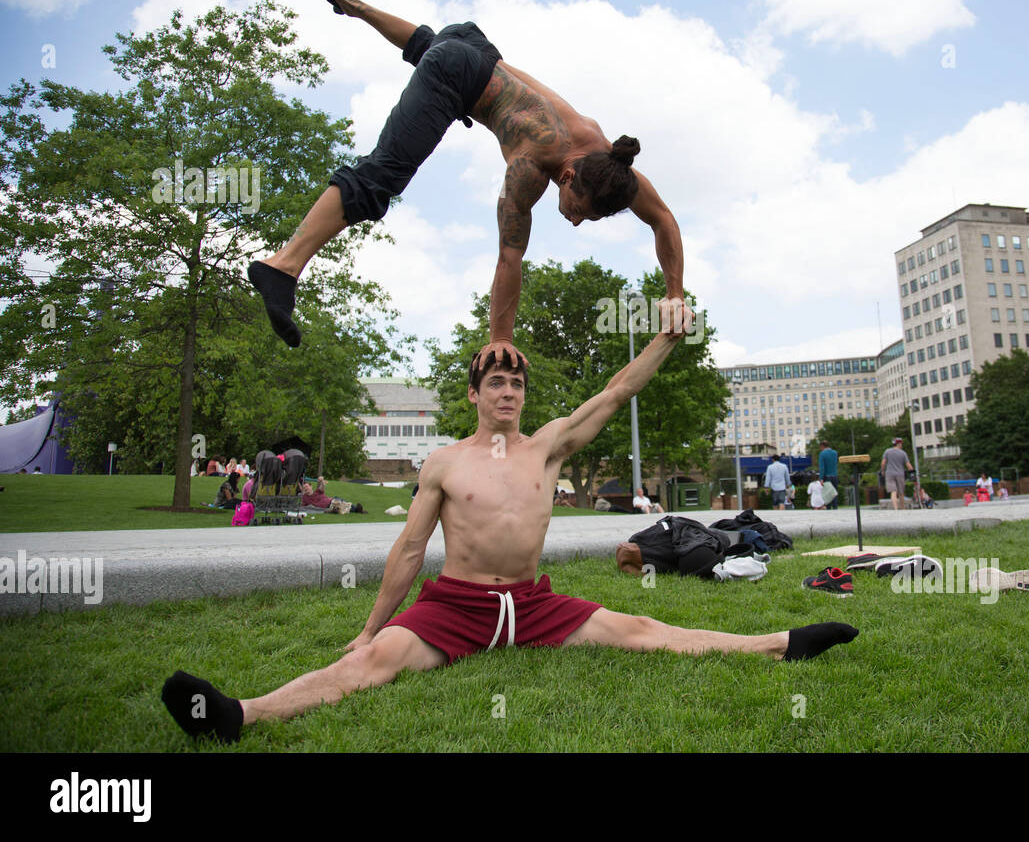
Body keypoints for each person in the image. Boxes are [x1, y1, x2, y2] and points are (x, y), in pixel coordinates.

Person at [161, 306, 858, 743]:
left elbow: (616, 393)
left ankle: (778, 645)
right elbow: (409, 549)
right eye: (495, 382)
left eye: (517, 383)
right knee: (368, 665)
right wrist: (373, 626)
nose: (508, 391)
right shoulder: (442, 463)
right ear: (473, 394)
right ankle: (238, 716)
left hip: (532, 604)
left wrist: (666, 339)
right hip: (453, 607)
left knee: (642, 631)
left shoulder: (549, 446)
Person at [247, 0, 692, 368]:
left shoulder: (610, 162)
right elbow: (509, 259)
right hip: (456, 74)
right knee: (383, 176)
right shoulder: (531, 168)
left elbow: (663, 218)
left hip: (476, 48)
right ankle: (282, 266)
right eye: (579, 210)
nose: (575, 221)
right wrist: (501, 338)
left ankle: (354, 5)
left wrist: (675, 293)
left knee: (425, 44)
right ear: (570, 175)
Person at [880, 437, 913, 511]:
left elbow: (883, 463)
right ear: (899, 443)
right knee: (901, 492)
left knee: (893, 491)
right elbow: (908, 465)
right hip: (900, 474)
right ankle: (903, 508)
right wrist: (912, 473)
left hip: (890, 474)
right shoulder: (903, 453)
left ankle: (895, 508)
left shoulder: (887, 451)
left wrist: (882, 471)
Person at [817, 441, 840, 509]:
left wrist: (821, 478)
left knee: (827, 495)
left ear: (822, 446)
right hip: (835, 475)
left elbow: (822, 467)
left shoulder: (822, 454)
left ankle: (829, 508)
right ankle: (835, 507)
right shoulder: (835, 453)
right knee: (834, 493)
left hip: (827, 477)